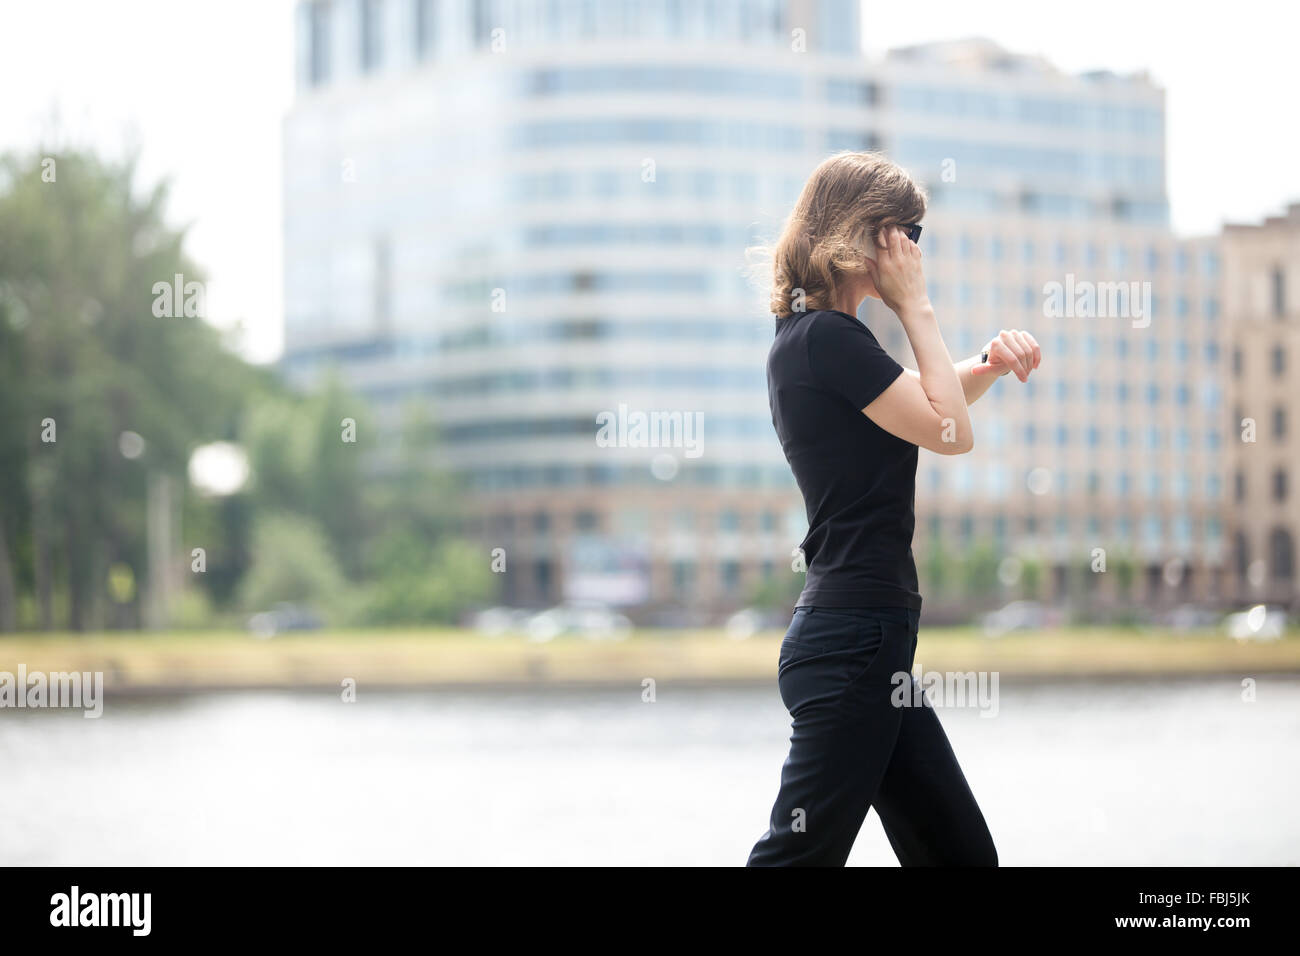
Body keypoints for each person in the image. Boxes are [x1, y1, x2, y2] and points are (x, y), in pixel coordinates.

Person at [748, 151, 1041, 867]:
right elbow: (950, 432)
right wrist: (918, 306)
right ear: (865, 234)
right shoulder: (829, 339)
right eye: (908, 232)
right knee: (796, 859)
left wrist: (990, 364)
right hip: (854, 645)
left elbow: (926, 402)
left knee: (959, 858)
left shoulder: (811, 341)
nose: (912, 251)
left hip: (866, 645)